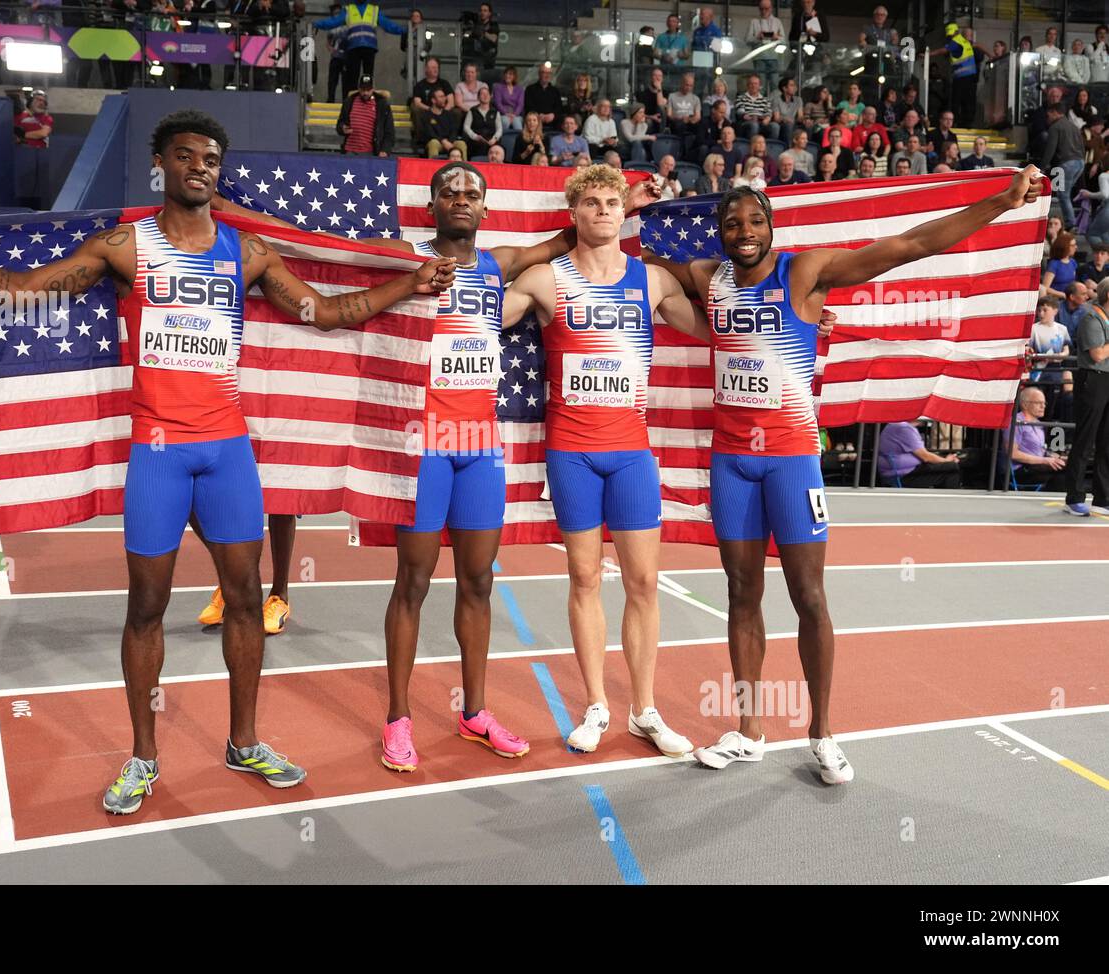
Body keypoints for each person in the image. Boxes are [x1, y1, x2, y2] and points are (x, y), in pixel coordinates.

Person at [0, 110, 456, 812]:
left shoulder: (249, 252)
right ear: (161, 166)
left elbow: (328, 313)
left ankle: (244, 741)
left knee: (246, 597)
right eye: (185, 155)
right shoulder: (125, 246)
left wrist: (406, 287)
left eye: (210, 157)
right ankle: (142, 757)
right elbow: (19, 293)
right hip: (159, 454)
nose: (199, 166)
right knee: (145, 605)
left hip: (227, 452)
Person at [645, 167, 1043, 784]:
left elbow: (910, 247)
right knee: (741, 594)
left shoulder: (802, 272)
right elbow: (631, 260)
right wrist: (637, 209)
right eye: (731, 223)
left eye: (754, 221)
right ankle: (749, 730)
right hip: (731, 460)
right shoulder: (706, 278)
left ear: (771, 227)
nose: (744, 232)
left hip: (792, 458)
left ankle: (822, 733)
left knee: (808, 595)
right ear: (717, 233)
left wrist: (1001, 202)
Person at [376, 161, 656, 771]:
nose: (459, 199)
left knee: (479, 582)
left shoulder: (500, 264)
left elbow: (567, 242)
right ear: (430, 206)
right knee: (414, 582)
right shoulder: (405, 255)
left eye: (471, 193)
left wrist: (626, 203)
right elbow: (342, 262)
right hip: (423, 439)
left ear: (484, 209)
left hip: (479, 441)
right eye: (448, 191)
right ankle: (397, 719)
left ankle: (474, 711)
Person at [499, 164, 709, 759]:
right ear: (574, 213)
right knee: (585, 578)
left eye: (612, 202)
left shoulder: (651, 282)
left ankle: (644, 710)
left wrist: (800, 321)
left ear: (625, 212)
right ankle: (596, 704)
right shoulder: (546, 278)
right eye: (590, 202)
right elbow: (475, 314)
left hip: (632, 455)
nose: (601, 211)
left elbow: (719, 333)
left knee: (643, 582)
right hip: (572, 452)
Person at [1062, 277, 1109, 515]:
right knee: (1085, 440)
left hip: (1107, 379)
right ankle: (1074, 497)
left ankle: (1103, 497)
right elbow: (1098, 354)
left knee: (1106, 442)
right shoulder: (1092, 317)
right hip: (1093, 379)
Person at [312, 1, 405, 89]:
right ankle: (354, 99)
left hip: (363, 47)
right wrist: (316, 24)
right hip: (357, 47)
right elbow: (333, 22)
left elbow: (388, 25)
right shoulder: (349, 10)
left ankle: (366, 97)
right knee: (356, 77)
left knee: (363, 76)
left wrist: (404, 30)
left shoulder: (373, 10)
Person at [1006, 386, 1066, 489]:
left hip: (1037, 465)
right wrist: (1045, 460)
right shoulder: (1016, 422)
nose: (1043, 406)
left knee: (1071, 466)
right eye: (1039, 403)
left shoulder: (1038, 423)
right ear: (1025, 404)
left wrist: (1055, 457)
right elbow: (1012, 453)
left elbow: (1039, 450)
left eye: (1044, 403)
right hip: (1021, 469)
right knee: (1064, 476)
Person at [877, 421, 962, 488]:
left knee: (942, 465)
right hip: (903, 476)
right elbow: (926, 457)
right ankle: (951, 502)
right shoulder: (903, 428)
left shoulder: (896, 425)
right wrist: (946, 460)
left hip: (902, 471)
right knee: (951, 467)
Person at [336, 74, 394, 157]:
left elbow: (389, 131)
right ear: (358, 88)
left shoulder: (382, 105)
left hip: (370, 152)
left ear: (373, 89)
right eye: (363, 89)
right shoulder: (349, 102)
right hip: (349, 150)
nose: (365, 93)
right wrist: (342, 128)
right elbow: (340, 124)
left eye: (368, 89)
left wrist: (385, 150)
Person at [410, 58, 454, 149]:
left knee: (456, 113)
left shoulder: (444, 83)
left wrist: (442, 112)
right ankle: (420, 138)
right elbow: (417, 102)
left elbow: (451, 101)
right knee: (416, 110)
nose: (435, 70)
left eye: (436, 67)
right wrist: (431, 110)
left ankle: (452, 137)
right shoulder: (420, 85)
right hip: (426, 113)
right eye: (433, 67)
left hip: (443, 111)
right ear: (426, 69)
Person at [745, 0, 784, 93]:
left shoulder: (777, 22)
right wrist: (757, 37)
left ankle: (774, 107)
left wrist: (776, 37)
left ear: (771, 8)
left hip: (774, 57)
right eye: (761, 9)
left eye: (766, 8)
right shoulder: (754, 22)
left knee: (775, 85)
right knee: (761, 86)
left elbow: (784, 40)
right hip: (759, 57)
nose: (764, 11)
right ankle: (762, 106)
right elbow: (747, 39)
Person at [424, 87, 467, 160]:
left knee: (461, 143)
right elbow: (429, 133)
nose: (444, 99)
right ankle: (434, 168)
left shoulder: (449, 114)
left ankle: (465, 168)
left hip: (450, 142)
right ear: (433, 100)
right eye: (441, 97)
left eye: (444, 96)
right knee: (433, 143)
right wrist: (443, 141)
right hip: (437, 142)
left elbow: (454, 130)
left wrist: (450, 141)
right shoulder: (426, 115)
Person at [464, 83, 503, 158]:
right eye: (482, 94)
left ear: (490, 96)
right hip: (476, 141)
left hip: (491, 141)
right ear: (478, 98)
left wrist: (495, 138)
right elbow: (466, 127)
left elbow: (499, 129)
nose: (485, 96)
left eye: (487, 94)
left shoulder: (495, 112)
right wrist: (475, 136)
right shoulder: (472, 111)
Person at [461, 1, 499, 74]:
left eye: (485, 11)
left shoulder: (493, 25)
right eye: (481, 10)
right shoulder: (476, 24)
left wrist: (483, 32)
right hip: (474, 59)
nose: (482, 13)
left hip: (487, 61)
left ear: (489, 13)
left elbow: (494, 38)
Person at [524, 62, 565, 129]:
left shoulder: (555, 91)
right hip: (535, 120)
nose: (547, 75)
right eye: (544, 72)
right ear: (539, 74)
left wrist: (553, 115)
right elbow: (528, 106)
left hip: (553, 121)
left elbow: (559, 108)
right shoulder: (530, 89)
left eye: (549, 73)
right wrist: (539, 115)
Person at [734, 73, 774, 140]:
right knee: (754, 125)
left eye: (756, 84)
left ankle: (772, 147)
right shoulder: (740, 98)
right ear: (747, 85)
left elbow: (768, 113)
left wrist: (767, 119)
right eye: (751, 83)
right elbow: (740, 112)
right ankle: (752, 146)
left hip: (762, 122)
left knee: (774, 126)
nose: (753, 86)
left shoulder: (765, 99)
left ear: (760, 86)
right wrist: (750, 118)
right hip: (746, 123)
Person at [1043, 231, 1079, 299]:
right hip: (1057, 299)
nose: (1076, 247)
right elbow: (1045, 287)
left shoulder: (1073, 262)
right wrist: (1062, 295)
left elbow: (1073, 282)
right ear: (1064, 247)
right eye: (1072, 245)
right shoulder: (1054, 264)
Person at [770, 76, 803, 147]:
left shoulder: (798, 100)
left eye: (795, 85)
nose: (795, 88)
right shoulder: (777, 100)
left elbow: (800, 116)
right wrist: (785, 119)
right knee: (788, 125)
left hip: (793, 123)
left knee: (807, 126)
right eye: (792, 85)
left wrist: (805, 120)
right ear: (784, 88)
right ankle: (788, 148)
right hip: (781, 124)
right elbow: (776, 118)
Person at [493, 65, 524, 133]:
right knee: (505, 121)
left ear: (514, 76)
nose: (507, 76)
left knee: (517, 122)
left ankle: (520, 141)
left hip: (516, 115)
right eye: (506, 73)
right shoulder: (498, 87)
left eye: (510, 74)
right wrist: (506, 113)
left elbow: (520, 104)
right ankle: (502, 141)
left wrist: (514, 114)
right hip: (502, 114)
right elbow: (498, 103)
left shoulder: (520, 89)